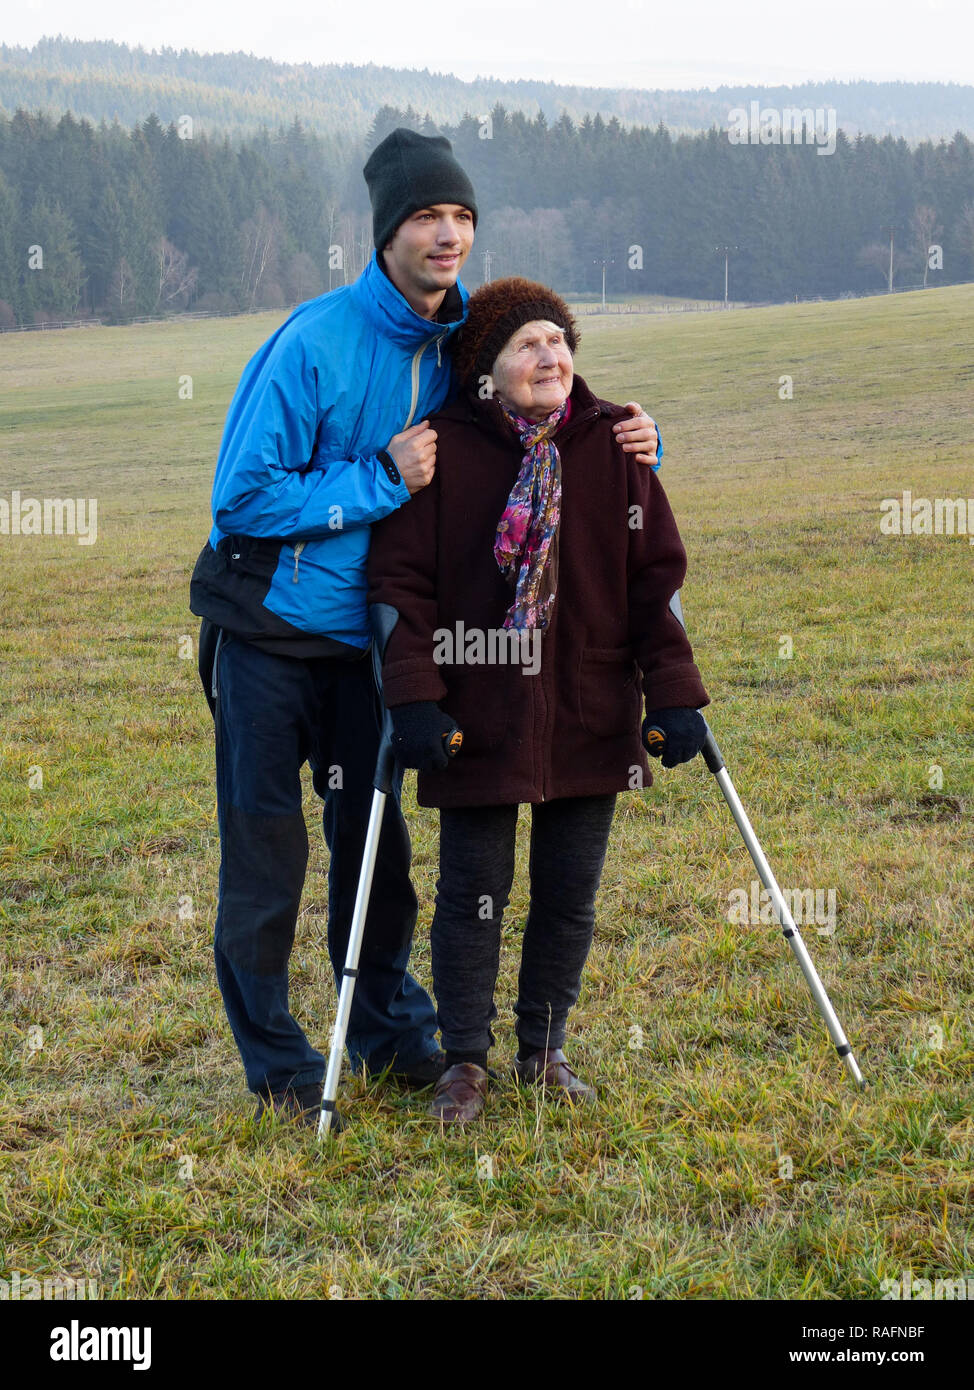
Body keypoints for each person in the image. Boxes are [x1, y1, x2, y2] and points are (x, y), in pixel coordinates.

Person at [189, 130, 660, 1124]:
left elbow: (543, 410)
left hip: (373, 645)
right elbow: (240, 498)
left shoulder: (463, 348)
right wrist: (376, 480)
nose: (446, 235)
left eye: (459, 218)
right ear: (385, 231)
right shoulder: (312, 340)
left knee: (378, 853)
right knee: (267, 858)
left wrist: (636, 436)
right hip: (269, 632)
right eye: (425, 217)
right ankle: (276, 1062)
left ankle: (386, 1033)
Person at [368, 277, 710, 1123]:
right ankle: (464, 1065)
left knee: (569, 893)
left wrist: (674, 696)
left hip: (591, 704)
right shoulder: (444, 451)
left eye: (559, 339)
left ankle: (544, 1051)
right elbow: (400, 585)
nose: (551, 356)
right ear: (486, 367)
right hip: (475, 715)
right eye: (528, 343)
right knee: (472, 893)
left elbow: (655, 584)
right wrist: (413, 699)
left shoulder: (613, 447)